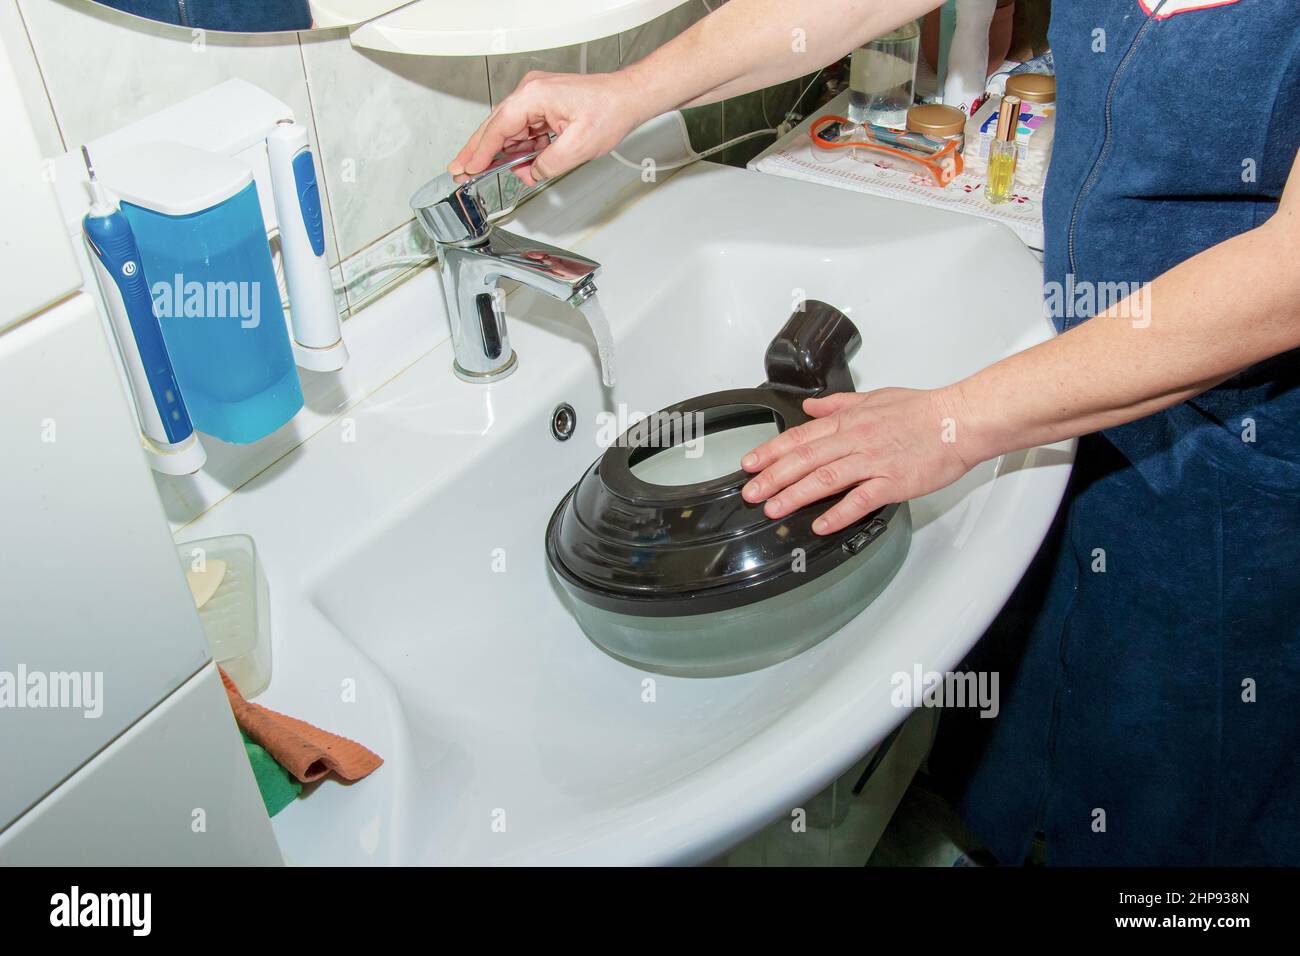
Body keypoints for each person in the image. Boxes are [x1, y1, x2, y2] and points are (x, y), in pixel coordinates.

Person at [452, 0, 1300, 866]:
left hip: (1249, 453)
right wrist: (628, 91)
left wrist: (956, 418)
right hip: (1083, 378)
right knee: (1059, 724)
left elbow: (1288, 278)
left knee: (1191, 786)